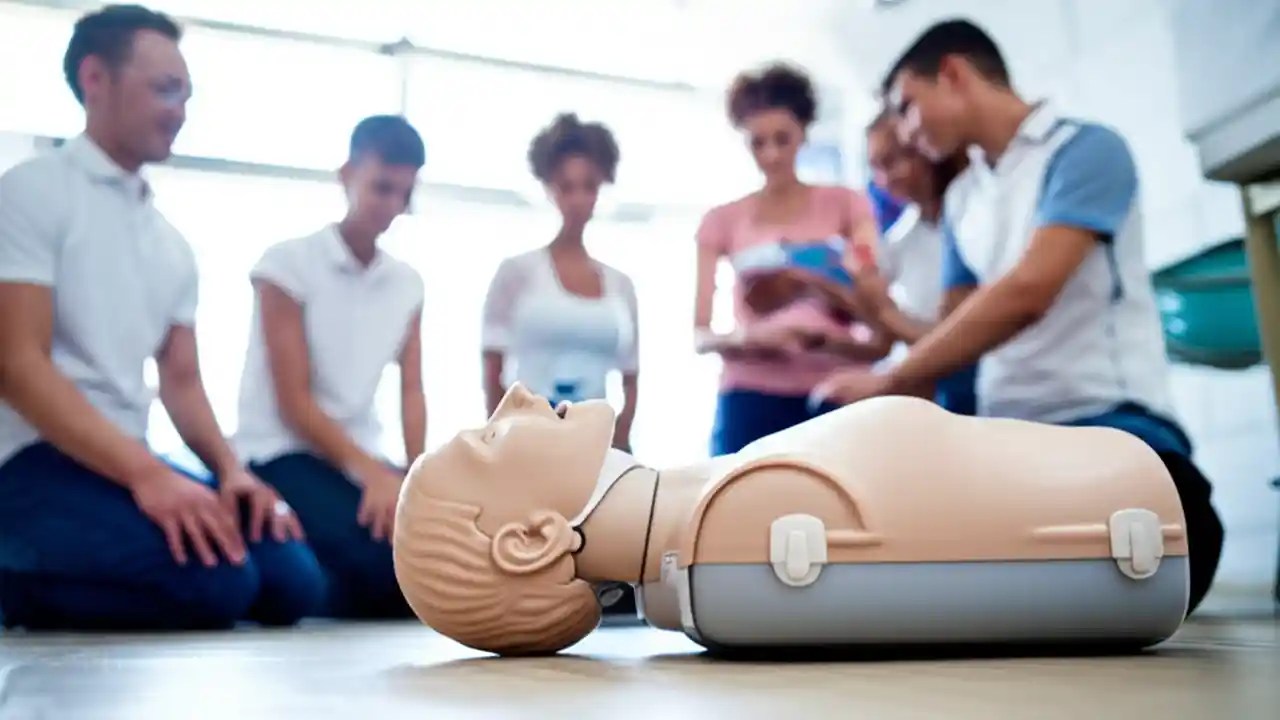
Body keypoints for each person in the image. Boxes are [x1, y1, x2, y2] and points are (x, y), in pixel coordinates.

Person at [815, 19, 1224, 613]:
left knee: (1170, 523)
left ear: (953, 75)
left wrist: (893, 379)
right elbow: (948, 335)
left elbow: (1030, 290)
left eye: (907, 107)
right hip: (1007, 445)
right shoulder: (962, 199)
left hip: (1111, 430)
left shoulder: (1084, 150)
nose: (906, 130)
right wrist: (877, 321)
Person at [0, 4, 324, 631]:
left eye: (186, 94)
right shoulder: (30, 193)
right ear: (95, 79)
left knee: (290, 581)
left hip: (123, 458)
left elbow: (181, 382)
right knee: (215, 586)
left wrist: (232, 472)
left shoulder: (169, 241)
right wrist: (147, 475)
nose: (179, 110)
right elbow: (16, 364)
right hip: (31, 461)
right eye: (164, 89)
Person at [234, 115, 427, 619]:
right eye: (381, 188)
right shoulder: (286, 266)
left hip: (360, 464)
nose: (391, 206)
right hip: (283, 454)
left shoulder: (407, 284)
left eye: (403, 194)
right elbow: (293, 403)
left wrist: (418, 477)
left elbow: (412, 392)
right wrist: (372, 476)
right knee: (401, 571)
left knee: (437, 549)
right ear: (347, 174)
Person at [692, 63, 890, 455]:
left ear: (804, 134)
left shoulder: (848, 206)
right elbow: (700, 334)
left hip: (835, 392)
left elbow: (878, 317)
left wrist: (816, 303)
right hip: (750, 398)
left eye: (783, 139)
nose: (771, 155)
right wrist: (750, 338)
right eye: (758, 143)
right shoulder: (721, 221)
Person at [481, 113, 639, 453]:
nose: (579, 199)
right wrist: (495, 440)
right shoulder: (517, 272)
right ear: (550, 188)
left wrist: (620, 441)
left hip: (595, 446)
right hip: (524, 442)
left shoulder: (620, 286)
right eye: (567, 187)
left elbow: (632, 375)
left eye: (589, 186)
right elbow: (491, 365)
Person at [856, 109, 977, 415]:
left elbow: (962, 341)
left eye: (893, 161)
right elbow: (881, 337)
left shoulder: (975, 219)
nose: (885, 180)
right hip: (931, 397)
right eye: (876, 168)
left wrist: (886, 311)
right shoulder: (899, 238)